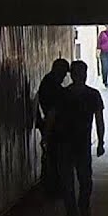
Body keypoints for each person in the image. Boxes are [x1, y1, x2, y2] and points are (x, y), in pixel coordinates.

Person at [47, 61, 106, 216]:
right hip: (82, 144)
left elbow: (51, 116)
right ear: (84, 75)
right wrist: (100, 142)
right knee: (85, 180)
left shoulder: (62, 95)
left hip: (64, 143)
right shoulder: (93, 95)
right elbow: (99, 120)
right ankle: (83, 209)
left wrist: (46, 137)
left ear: (71, 75)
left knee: (67, 182)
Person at [34, 58, 71, 198]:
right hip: (55, 129)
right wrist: (46, 134)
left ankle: (52, 188)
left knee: (52, 158)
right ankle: (53, 189)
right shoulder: (53, 88)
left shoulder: (48, 83)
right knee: (55, 160)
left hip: (52, 127)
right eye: (64, 73)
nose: (64, 76)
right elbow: (52, 112)